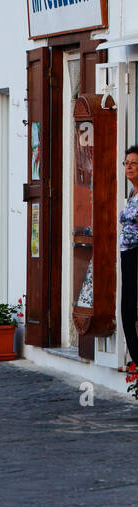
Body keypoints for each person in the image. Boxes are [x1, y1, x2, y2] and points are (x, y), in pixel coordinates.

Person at [121, 146, 138, 366]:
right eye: (126, 163)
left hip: (136, 255)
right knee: (127, 307)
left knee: (133, 308)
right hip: (127, 256)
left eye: (134, 163)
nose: (129, 166)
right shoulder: (132, 193)